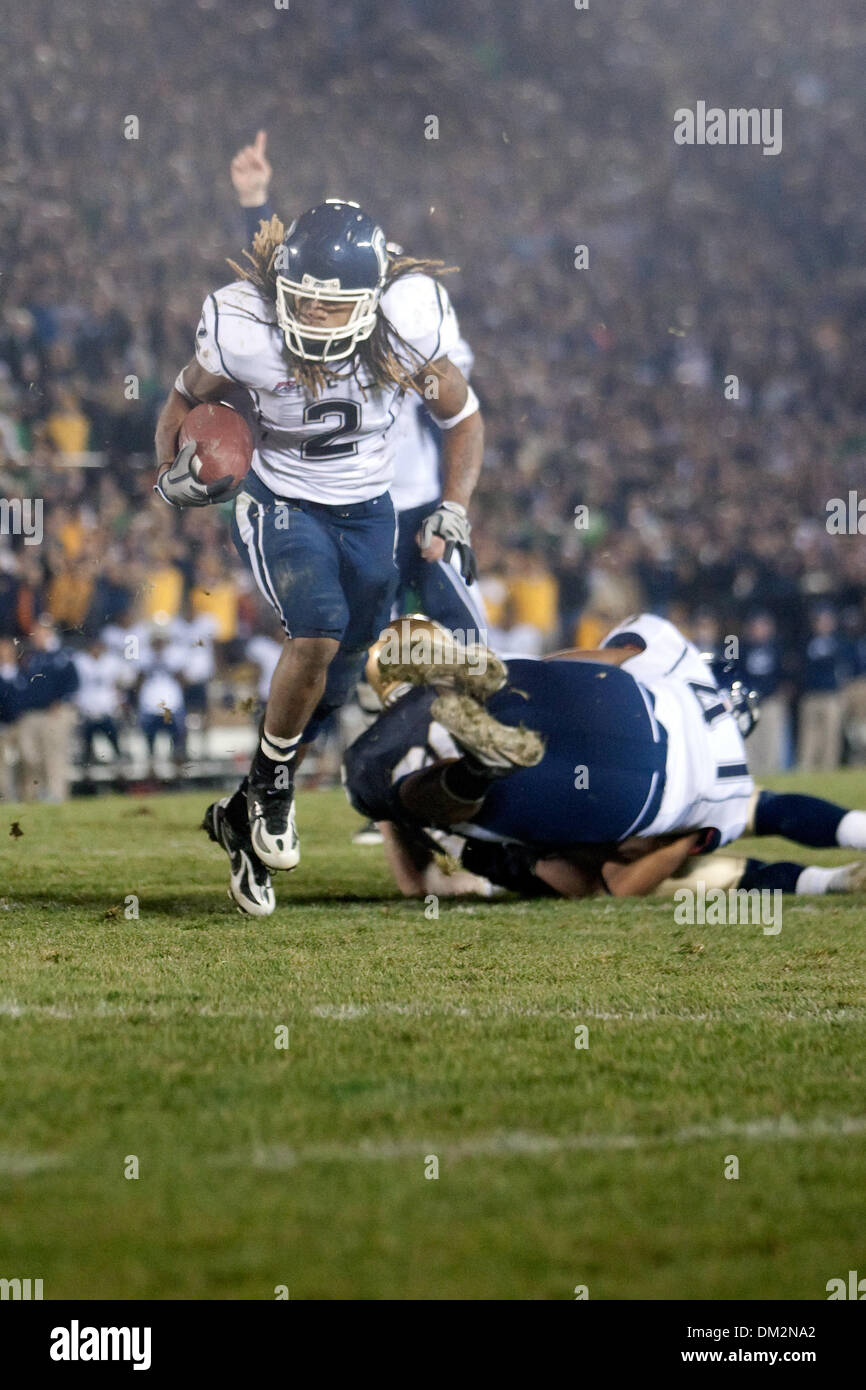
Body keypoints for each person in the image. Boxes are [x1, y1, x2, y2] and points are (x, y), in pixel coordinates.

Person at [156, 176, 483, 916]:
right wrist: (170, 466)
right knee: (318, 625)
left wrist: (454, 508)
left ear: (371, 302)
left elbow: (465, 419)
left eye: (334, 303)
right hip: (280, 498)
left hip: (371, 510)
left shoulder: (408, 322)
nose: (313, 314)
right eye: (302, 298)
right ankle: (273, 790)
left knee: (338, 678)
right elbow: (181, 399)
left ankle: (245, 811)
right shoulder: (244, 325)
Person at [344, 615, 866, 902]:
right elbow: (615, 882)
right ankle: (833, 880)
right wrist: (680, 840)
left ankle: (487, 689)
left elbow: (607, 662)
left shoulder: (679, 656)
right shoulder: (731, 797)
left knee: (421, 808)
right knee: (686, 860)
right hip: (638, 800)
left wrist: (535, 680)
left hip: (611, 708)